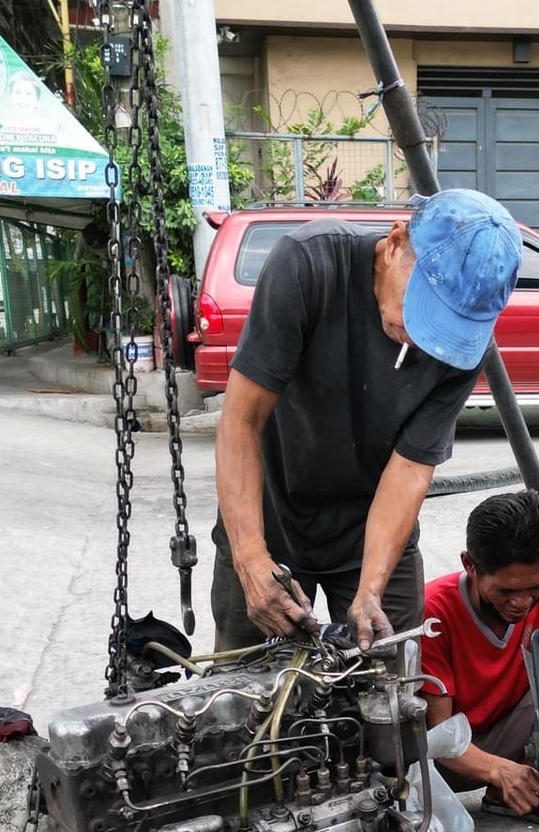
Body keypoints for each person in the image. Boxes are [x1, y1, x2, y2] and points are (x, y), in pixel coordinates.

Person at [211, 190, 521, 653]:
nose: (423, 340)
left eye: (444, 327)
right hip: (270, 516)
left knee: (392, 692)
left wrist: (371, 588)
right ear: (395, 243)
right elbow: (242, 421)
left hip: (373, 530)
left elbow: (411, 467)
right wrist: (253, 561)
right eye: (422, 311)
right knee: (247, 696)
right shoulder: (308, 264)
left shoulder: (465, 343)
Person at [420, 491, 539, 816]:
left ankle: (521, 786)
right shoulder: (432, 612)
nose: (522, 603)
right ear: (470, 565)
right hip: (451, 759)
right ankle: (511, 780)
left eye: (534, 589)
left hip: (511, 728)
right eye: (506, 591)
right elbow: (441, 739)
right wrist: (498, 769)